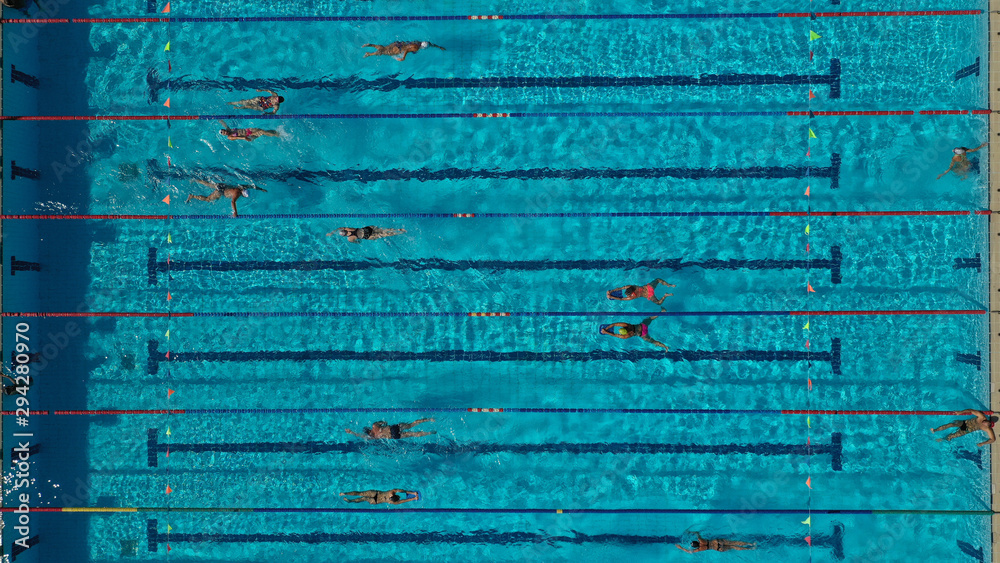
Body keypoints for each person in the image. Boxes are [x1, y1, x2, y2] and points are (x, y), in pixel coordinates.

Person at [185, 179, 267, 217]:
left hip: (222, 186)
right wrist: (235, 212)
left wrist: (261, 189)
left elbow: (252, 186)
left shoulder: (242, 187)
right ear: (242, 194)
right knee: (208, 199)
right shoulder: (237, 194)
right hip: (221, 191)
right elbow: (233, 202)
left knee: (208, 184)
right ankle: (192, 196)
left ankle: (196, 180)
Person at [600, 316, 669, 352]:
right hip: (643, 326)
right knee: (650, 319)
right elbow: (615, 324)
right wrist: (606, 328)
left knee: (653, 341)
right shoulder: (626, 325)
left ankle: (665, 347)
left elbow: (615, 335)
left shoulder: (627, 335)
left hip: (643, 334)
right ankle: (662, 312)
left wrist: (606, 332)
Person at [932, 409, 997, 447]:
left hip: (967, 430)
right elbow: (971, 410)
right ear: (988, 420)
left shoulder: (987, 428)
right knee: (951, 424)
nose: (986, 423)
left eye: (987, 424)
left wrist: (983, 443)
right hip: (964, 423)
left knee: (951, 436)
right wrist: (961, 412)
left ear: (988, 426)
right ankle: (935, 430)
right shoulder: (982, 417)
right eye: (987, 422)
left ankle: (941, 440)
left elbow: (993, 439)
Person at [345, 418, 436, 440]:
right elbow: (382, 422)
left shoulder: (373, 437)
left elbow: (360, 435)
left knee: (413, 434)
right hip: (393, 428)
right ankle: (428, 419)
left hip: (393, 435)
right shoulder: (374, 426)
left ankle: (430, 433)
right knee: (411, 425)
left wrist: (351, 432)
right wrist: (383, 423)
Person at [607, 279, 676, 304]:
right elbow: (623, 288)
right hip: (649, 287)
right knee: (658, 280)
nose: (627, 296)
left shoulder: (632, 297)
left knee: (658, 303)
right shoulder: (632, 286)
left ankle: (665, 296)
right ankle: (669, 285)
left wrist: (611, 295)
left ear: (631, 293)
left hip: (649, 295)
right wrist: (611, 291)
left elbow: (621, 299)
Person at [363, 41, 445, 62]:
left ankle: (371, 45)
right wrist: (403, 57)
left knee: (384, 48)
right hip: (399, 49)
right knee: (384, 52)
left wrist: (439, 47)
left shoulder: (419, 42)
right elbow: (407, 50)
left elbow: (430, 44)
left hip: (398, 44)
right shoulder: (416, 48)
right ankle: (370, 54)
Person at [676, 533, 756, 553]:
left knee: (733, 547)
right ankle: (751, 544)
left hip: (718, 548)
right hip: (717, 542)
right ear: (696, 541)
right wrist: (692, 532)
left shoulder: (699, 549)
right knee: (734, 542)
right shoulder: (701, 540)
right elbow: (697, 533)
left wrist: (681, 548)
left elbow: (689, 551)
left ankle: (750, 549)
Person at [328, 226, 406, 243]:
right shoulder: (348, 228)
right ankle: (398, 229)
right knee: (384, 229)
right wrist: (331, 232)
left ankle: (399, 233)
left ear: (344, 235)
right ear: (344, 230)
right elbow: (339, 228)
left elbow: (359, 242)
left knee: (385, 235)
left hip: (368, 236)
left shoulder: (350, 239)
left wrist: (357, 241)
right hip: (368, 229)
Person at [340, 489, 419, 505]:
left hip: (376, 494)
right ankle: (350, 501)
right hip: (375, 502)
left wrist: (413, 493)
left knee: (360, 493)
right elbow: (403, 501)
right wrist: (414, 498)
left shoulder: (391, 492)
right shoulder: (393, 502)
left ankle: (345, 493)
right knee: (363, 499)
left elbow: (401, 490)